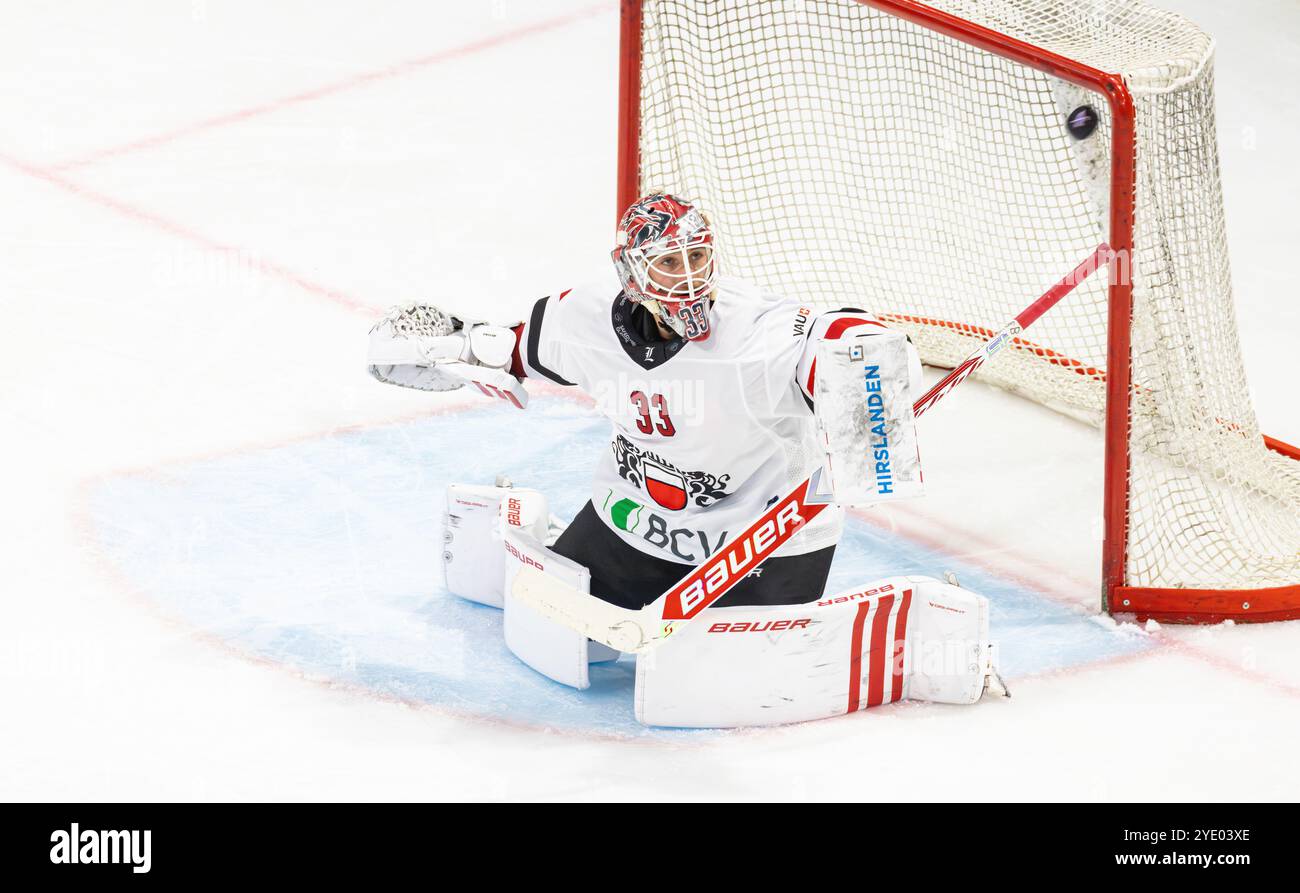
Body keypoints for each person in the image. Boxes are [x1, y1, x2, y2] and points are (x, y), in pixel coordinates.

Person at [368, 192, 922, 610]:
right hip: (635, 523)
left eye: (697, 258)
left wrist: (863, 352)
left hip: (763, 547)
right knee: (555, 626)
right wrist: (457, 347)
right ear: (630, 271)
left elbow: (822, 338)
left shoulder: (756, 336)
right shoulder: (583, 317)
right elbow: (510, 350)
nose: (688, 281)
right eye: (668, 263)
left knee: (712, 682)